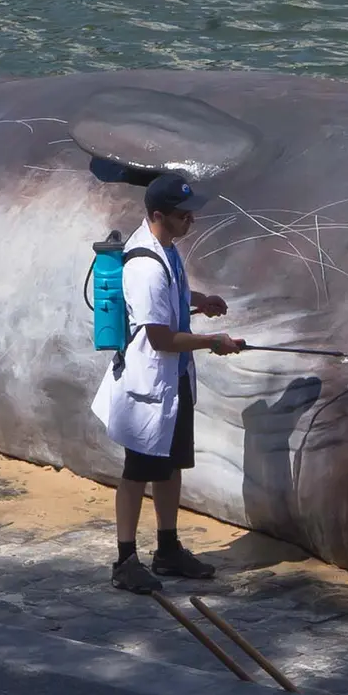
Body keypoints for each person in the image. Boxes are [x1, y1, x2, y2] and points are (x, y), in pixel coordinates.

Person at [88, 170, 247, 595]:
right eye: (182, 216)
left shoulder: (168, 250)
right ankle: (124, 560)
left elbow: (172, 294)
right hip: (149, 388)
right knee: (136, 473)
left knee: (171, 466)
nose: (189, 222)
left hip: (174, 384)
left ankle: (167, 549)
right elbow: (159, 338)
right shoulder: (144, 266)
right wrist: (214, 342)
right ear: (159, 215)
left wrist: (200, 301)